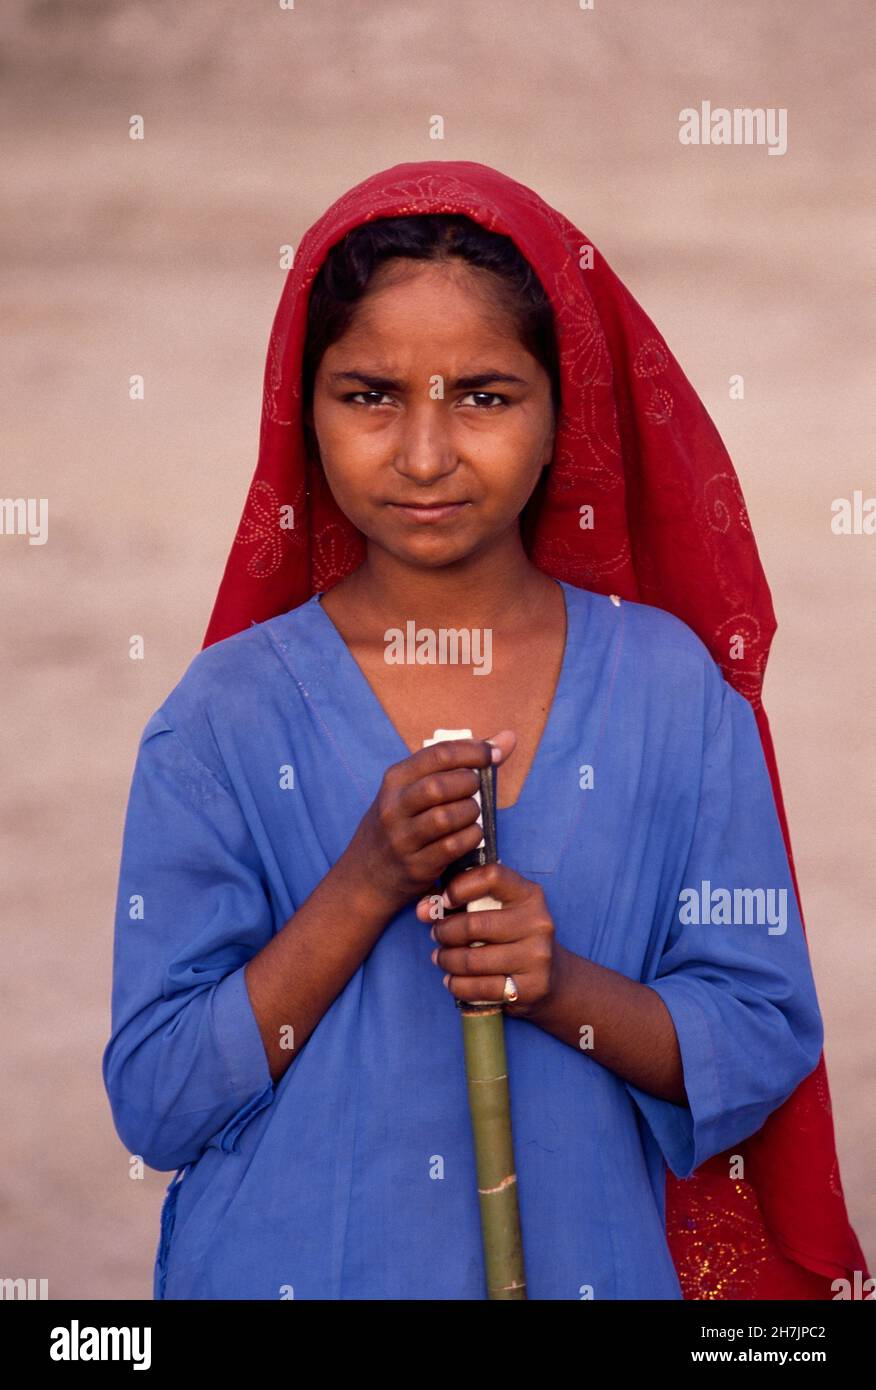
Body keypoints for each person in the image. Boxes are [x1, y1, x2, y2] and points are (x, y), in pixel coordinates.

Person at [103, 160, 867, 1300]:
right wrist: (365, 881)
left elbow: (758, 1039)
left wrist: (557, 985)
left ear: (566, 414)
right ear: (302, 413)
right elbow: (160, 1101)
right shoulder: (221, 717)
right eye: (369, 394)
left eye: (485, 396)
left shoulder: (670, 692)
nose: (423, 454)